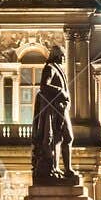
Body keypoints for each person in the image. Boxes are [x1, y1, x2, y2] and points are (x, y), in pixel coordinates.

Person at [30, 45, 75, 183]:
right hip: (54, 109)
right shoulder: (50, 68)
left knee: (66, 138)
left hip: (61, 108)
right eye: (61, 55)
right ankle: (56, 168)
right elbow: (43, 86)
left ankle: (66, 169)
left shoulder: (59, 69)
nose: (63, 58)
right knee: (61, 138)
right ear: (56, 56)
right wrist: (60, 92)